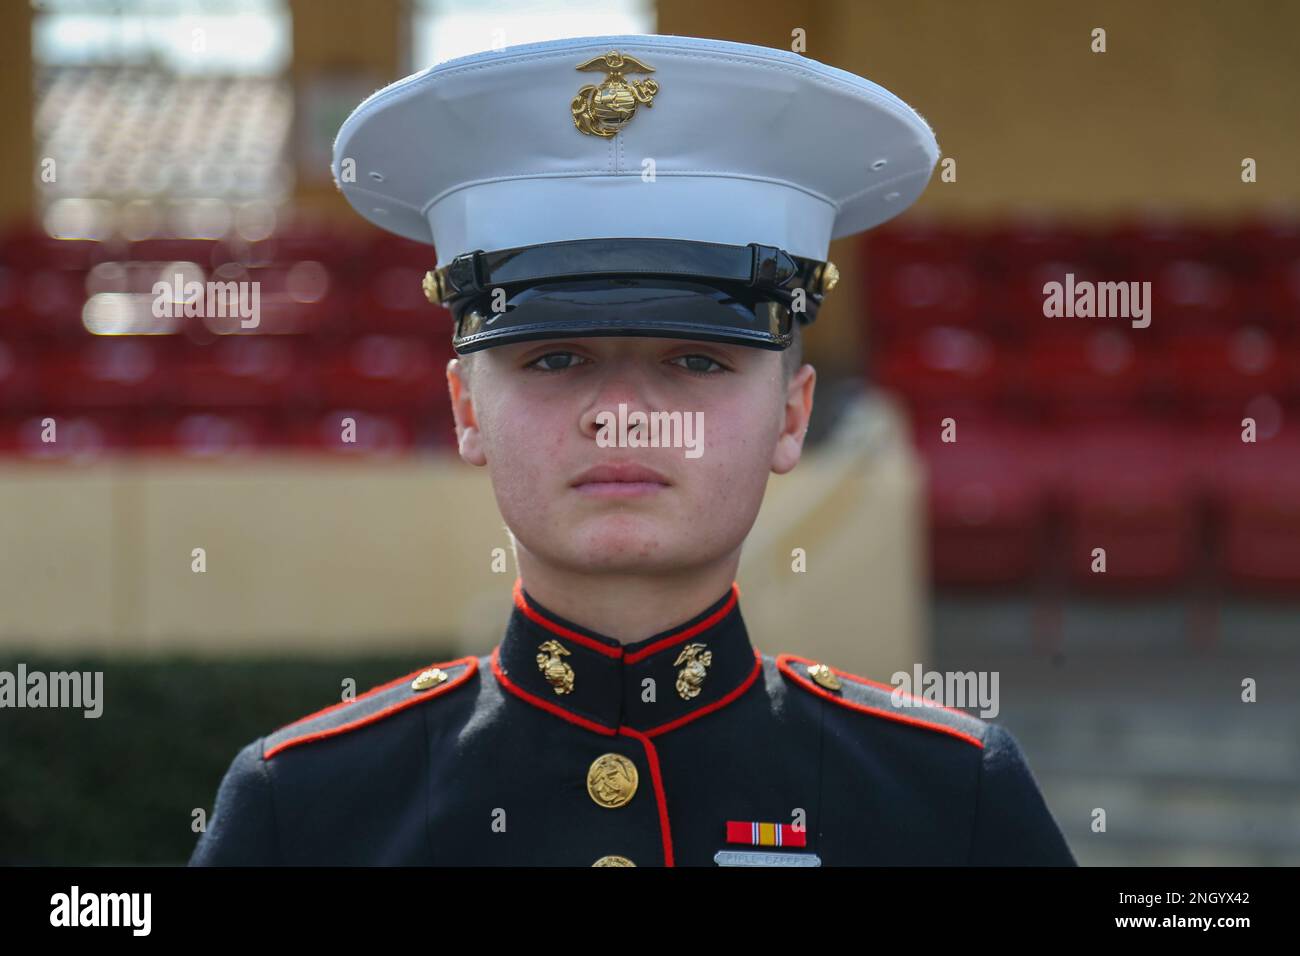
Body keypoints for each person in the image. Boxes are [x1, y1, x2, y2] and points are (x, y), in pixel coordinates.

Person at [189, 33, 1076, 866]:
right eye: (556, 357)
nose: (620, 415)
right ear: (466, 408)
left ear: (791, 418)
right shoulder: (302, 812)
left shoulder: (951, 803)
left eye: (696, 358)